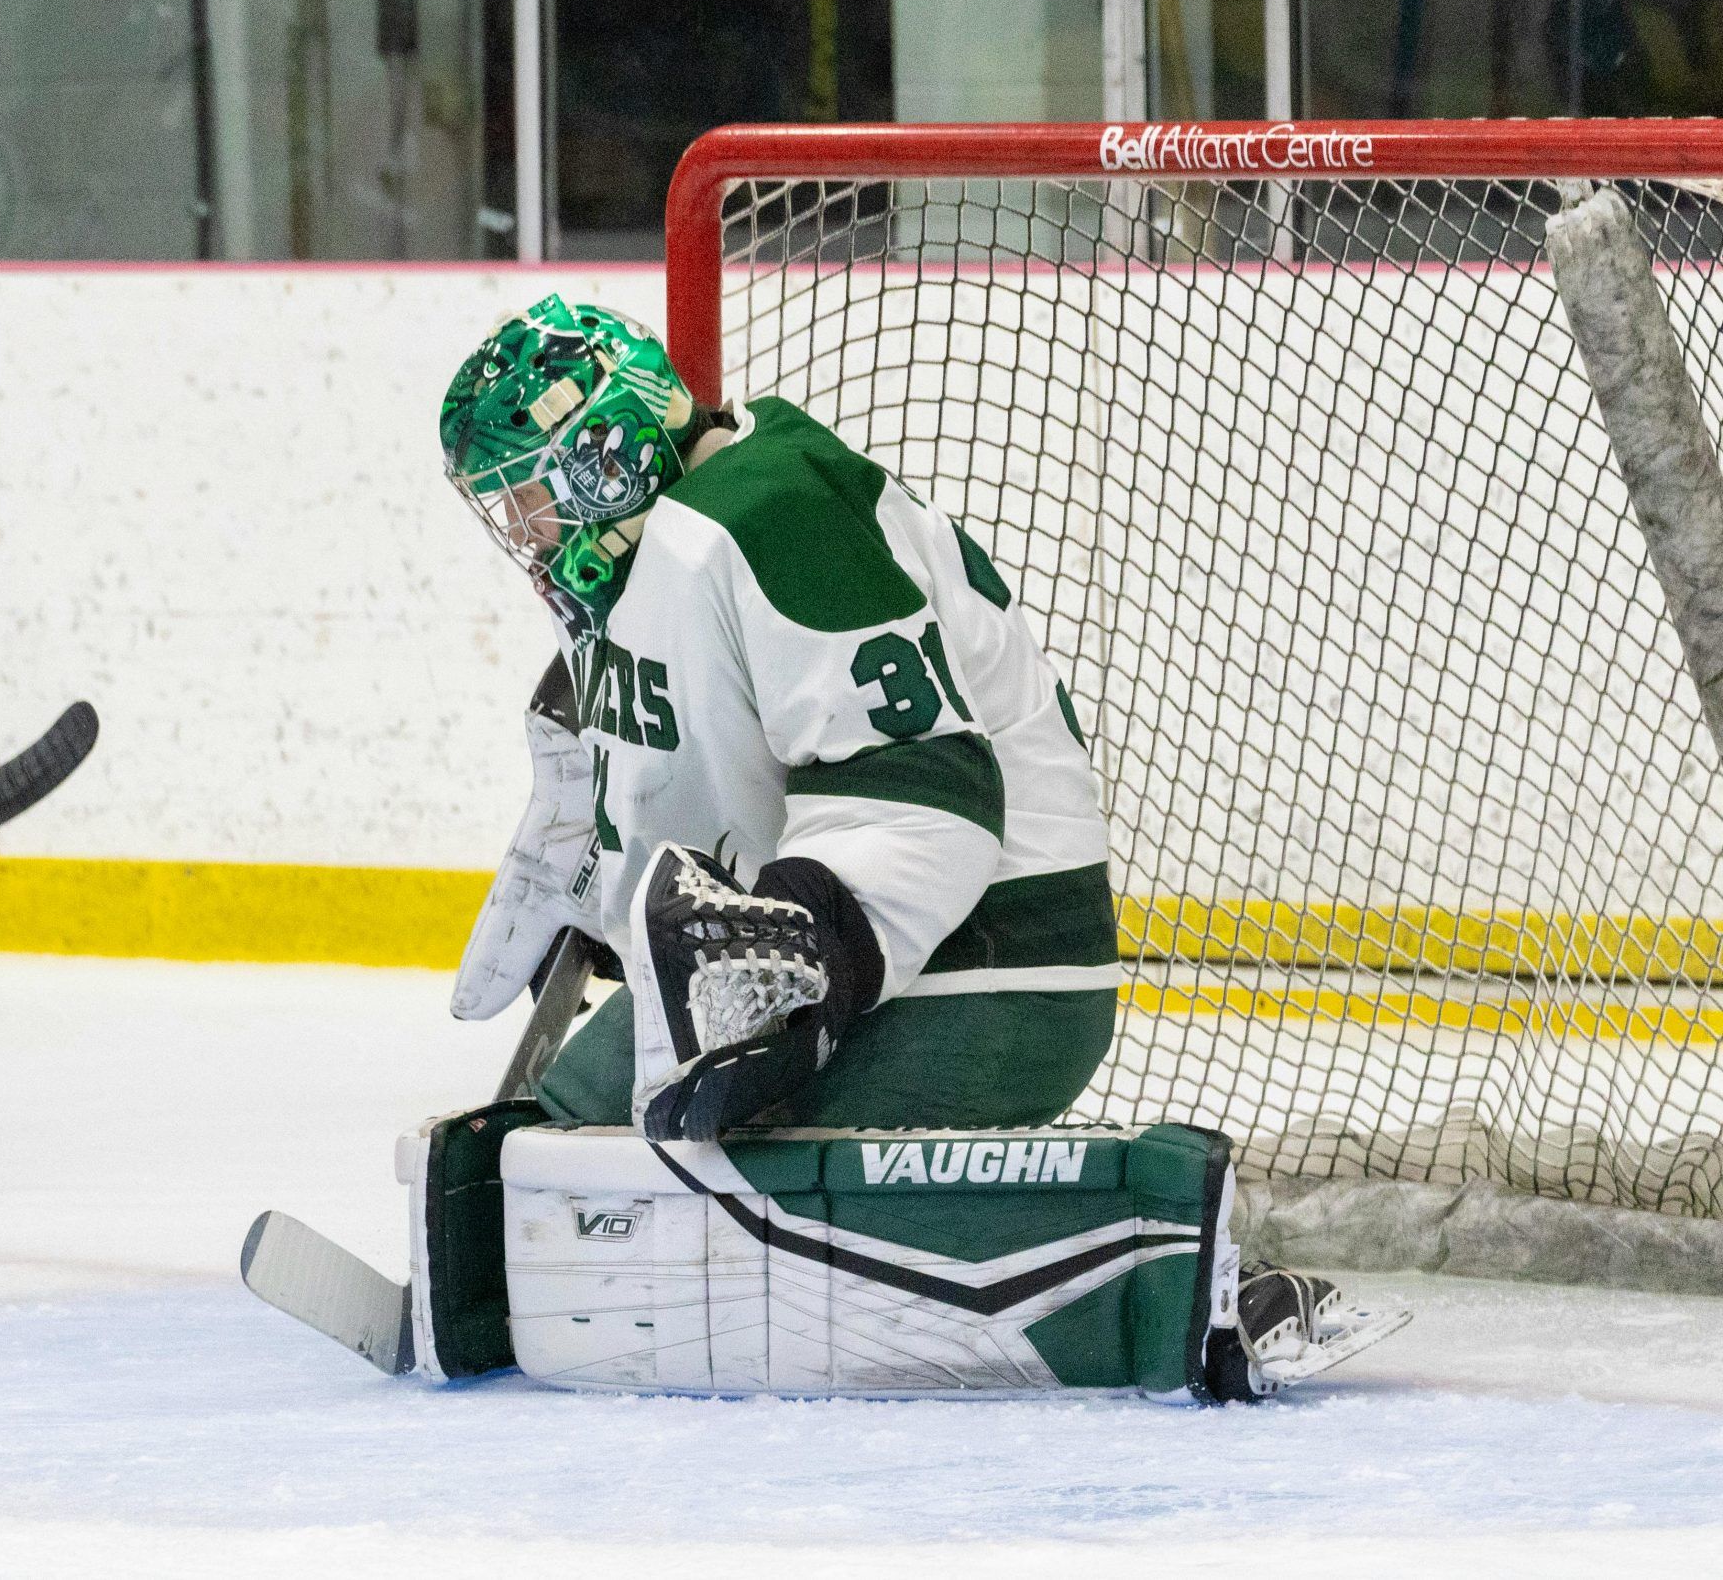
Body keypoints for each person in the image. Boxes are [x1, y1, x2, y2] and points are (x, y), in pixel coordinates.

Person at [423, 294, 1403, 1398]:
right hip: (851, 944)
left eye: (533, 496)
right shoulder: (668, 541)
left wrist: (793, 985)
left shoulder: (769, 511)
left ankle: (1187, 1264)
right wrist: (608, 900)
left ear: (604, 454)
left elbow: (926, 794)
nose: (529, 534)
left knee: (686, 1155)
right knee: (563, 1132)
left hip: (989, 957)